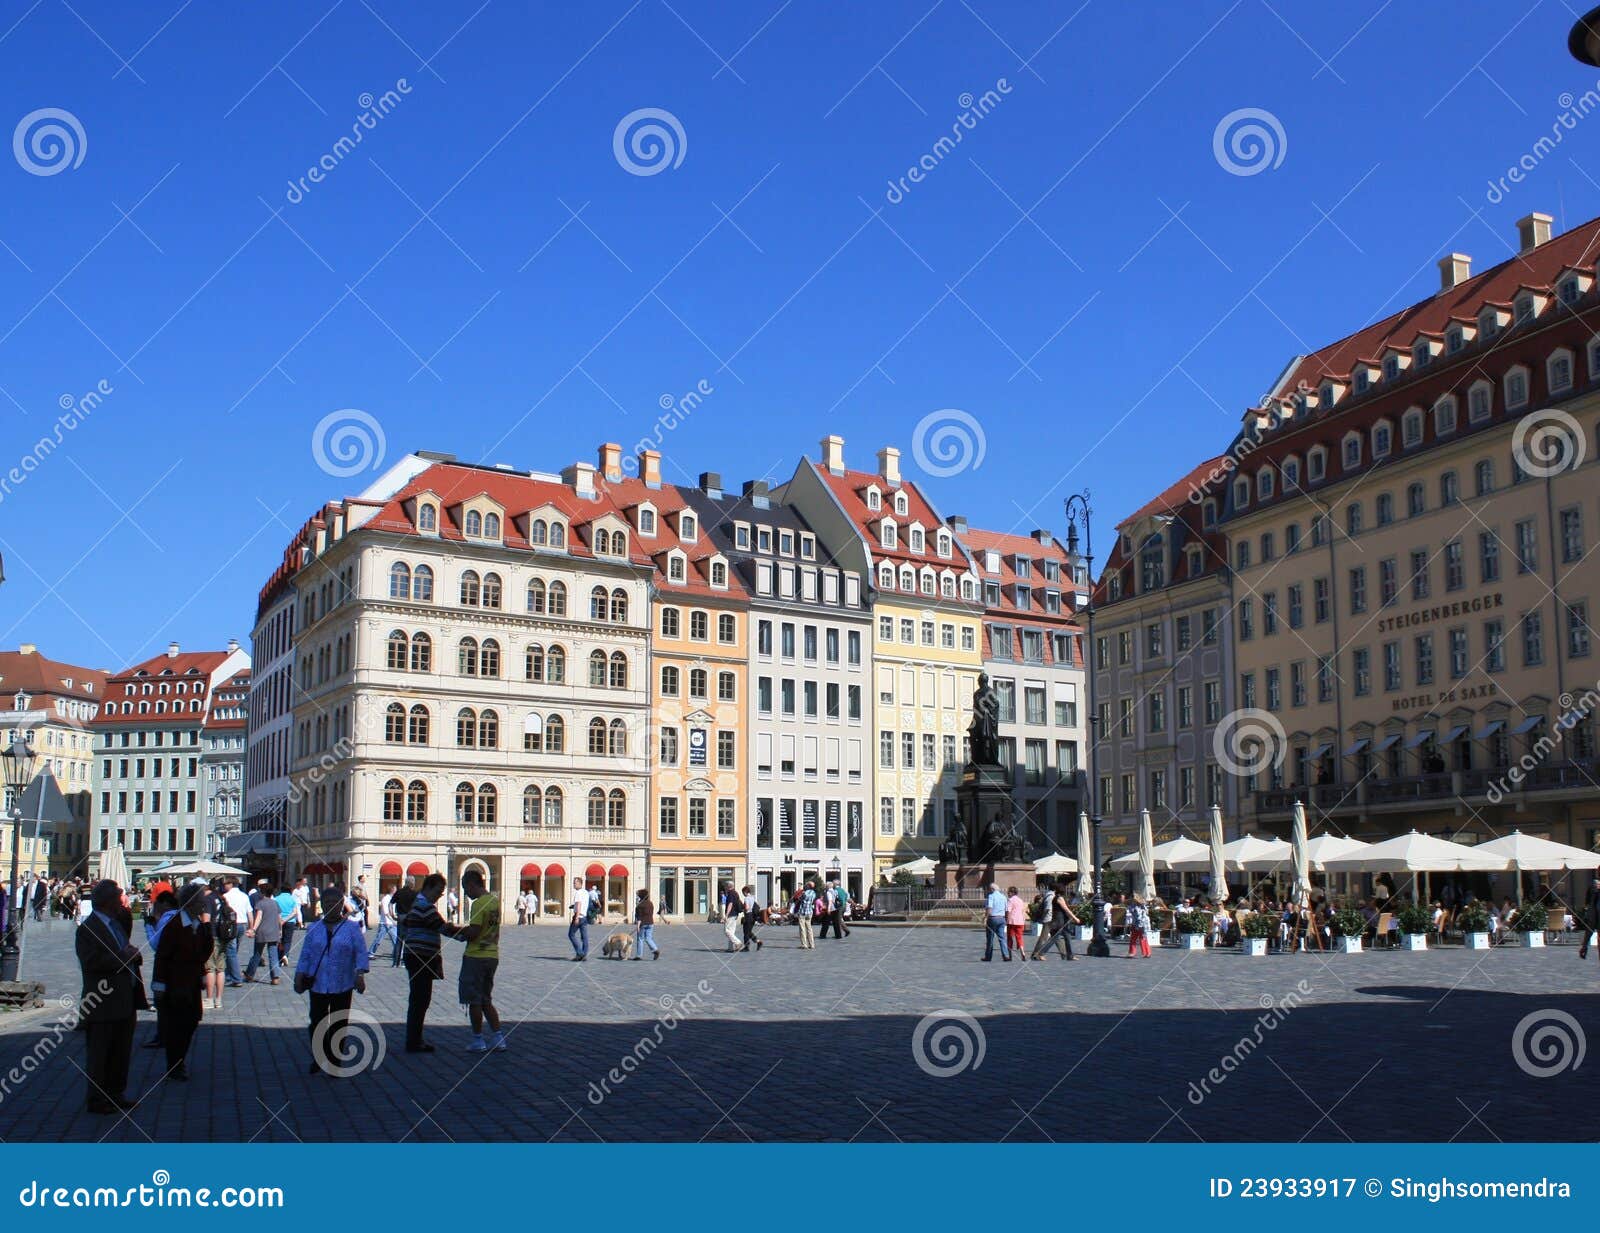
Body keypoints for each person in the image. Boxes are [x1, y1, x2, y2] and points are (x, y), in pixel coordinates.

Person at [75, 880, 144, 1115]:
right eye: (118, 896)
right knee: (100, 1054)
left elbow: (125, 950)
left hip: (124, 999)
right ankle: (97, 1099)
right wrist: (125, 957)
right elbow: (92, 962)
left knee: (120, 1052)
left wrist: (133, 955)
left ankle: (116, 1094)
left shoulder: (116, 924)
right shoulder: (88, 929)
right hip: (101, 1001)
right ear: (107, 901)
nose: (122, 900)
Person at [293, 885, 370, 1076]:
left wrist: (360, 974)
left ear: (341, 904)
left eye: (334, 902)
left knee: (339, 1022)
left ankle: (335, 1061)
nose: (331, 906)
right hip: (318, 981)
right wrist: (299, 975)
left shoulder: (352, 928)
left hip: (343, 981)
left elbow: (361, 952)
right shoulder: (314, 928)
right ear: (322, 905)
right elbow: (306, 954)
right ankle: (319, 1057)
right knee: (317, 1021)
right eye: (327, 903)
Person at [152, 882, 212, 1082]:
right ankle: (175, 1064)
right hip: (175, 983)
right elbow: (162, 956)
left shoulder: (198, 925)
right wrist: (159, 985)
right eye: (201, 901)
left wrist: (207, 929)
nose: (204, 905)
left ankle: (178, 1059)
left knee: (192, 1020)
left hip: (192, 982)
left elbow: (203, 954)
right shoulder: (175, 925)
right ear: (191, 903)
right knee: (177, 1024)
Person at [441, 870, 507, 1052]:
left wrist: (453, 930)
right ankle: (498, 1037)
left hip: (476, 956)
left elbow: (474, 932)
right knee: (486, 999)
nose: (466, 893)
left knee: (474, 1000)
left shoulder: (478, 904)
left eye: (465, 888)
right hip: (492, 954)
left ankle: (478, 1039)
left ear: (472, 884)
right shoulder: (494, 901)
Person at [401, 874, 445, 1052]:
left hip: (418, 957)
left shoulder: (420, 903)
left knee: (419, 999)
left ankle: (414, 1038)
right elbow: (442, 927)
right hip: (420, 958)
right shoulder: (424, 905)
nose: (438, 896)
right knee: (420, 1000)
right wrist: (467, 934)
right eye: (438, 892)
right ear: (428, 887)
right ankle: (414, 1041)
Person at [244, 886, 284, 984]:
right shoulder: (275, 903)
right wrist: (280, 929)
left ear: (262, 893)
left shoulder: (260, 903)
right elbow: (280, 918)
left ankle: (249, 974)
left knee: (257, 954)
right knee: (273, 955)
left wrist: (253, 929)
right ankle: (275, 977)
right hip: (274, 931)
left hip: (262, 932)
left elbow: (259, 917)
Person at [1031, 879, 1078, 960]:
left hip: (1057, 920)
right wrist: (1074, 917)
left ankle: (1068, 955)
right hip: (1054, 920)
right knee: (1047, 938)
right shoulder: (1054, 897)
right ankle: (1038, 953)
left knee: (1061, 938)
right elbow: (1062, 909)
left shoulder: (1052, 896)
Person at [220, 876, 251, 987]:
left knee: (231, 951)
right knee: (233, 950)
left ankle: (237, 978)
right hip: (242, 925)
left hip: (231, 925)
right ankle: (229, 975)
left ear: (231, 884)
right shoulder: (244, 896)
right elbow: (249, 912)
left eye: (225, 884)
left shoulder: (225, 896)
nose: (224, 886)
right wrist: (251, 928)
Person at [275, 883, 300, 969]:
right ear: (290, 890)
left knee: (279, 940)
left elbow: (275, 911)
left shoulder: (276, 899)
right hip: (290, 922)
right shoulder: (292, 899)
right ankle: (285, 955)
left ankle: (279, 958)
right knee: (288, 940)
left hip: (278, 921)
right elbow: (295, 912)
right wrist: (286, 919)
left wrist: (281, 920)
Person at [369, 889, 399, 960]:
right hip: (385, 923)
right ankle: (370, 953)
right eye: (396, 890)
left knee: (396, 939)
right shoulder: (385, 899)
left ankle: (396, 954)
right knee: (378, 940)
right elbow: (386, 912)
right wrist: (392, 920)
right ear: (393, 891)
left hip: (391, 923)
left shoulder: (392, 899)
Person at [983, 883, 1010, 961]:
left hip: (993, 918)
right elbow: (1007, 910)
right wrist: (1006, 919)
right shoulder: (1003, 897)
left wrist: (985, 917)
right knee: (1002, 938)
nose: (989, 891)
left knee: (990, 938)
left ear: (992, 889)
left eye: (989, 889)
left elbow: (990, 908)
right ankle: (1006, 955)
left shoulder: (991, 896)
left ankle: (988, 956)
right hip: (1002, 918)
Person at [633, 888, 660, 960]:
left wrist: (638, 926)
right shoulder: (650, 903)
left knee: (640, 939)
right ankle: (655, 950)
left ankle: (639, 955)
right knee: (648, 938)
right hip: (650, 922)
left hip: (642, 923)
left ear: (640, 896)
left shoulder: (639, 905)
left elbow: (639, 917)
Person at [567, 877, 590, 961]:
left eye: (575, 883)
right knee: (584, 937)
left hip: (578, 916)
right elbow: (584, 904)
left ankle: (580, 953)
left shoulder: (578, 893)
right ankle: (584, 955)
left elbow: (579, 904)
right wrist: (573, 906)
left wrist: (576, 917)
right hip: (584, 917)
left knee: (571, 934)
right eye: (573, 883)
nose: (573, 884)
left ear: (580, 883)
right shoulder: (586, 892)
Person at [1004, 886, 1027, 956]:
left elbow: (1008, 910)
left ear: (1012, 893)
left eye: (1009, 892)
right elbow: (1023, 911)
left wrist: (1006, 918)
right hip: (1020, 921)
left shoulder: (1010, 900)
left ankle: (1010, 954)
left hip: (1012, 921)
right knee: (1019, 937)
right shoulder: (1020, 900)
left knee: (1010, 938)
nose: (1008, 893)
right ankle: (1022, 952)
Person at [739, 885, 763, 952]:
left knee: (746, 932)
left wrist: (743, 908)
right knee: (749, 932)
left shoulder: (746, 898)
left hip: (748, 916)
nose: (743, 894)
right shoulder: (752, 897)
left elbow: (746, 908)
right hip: (752, 917)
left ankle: (746, 947)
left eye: (743, 892)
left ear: (745, 892)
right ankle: (758, 942)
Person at [796, 880, 817, 950]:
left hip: (802, 911)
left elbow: (799, 900)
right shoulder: (814, 893)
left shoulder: (804, 893)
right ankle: (812, 944)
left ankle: (804, 944)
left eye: (806, 885)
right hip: (809, 912)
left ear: (808, 886)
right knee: (809, 928)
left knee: (802, 928)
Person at [721, 885, 742, 952]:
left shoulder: (730, 893)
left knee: (726, 930)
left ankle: (738, 942)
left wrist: (726, 915)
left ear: (728, 887)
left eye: (725, 887)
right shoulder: (736, 893)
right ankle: (730, 948)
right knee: (731, 932)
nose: (725, 889)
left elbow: (730, 904)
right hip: (735, 914)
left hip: (731, 914)